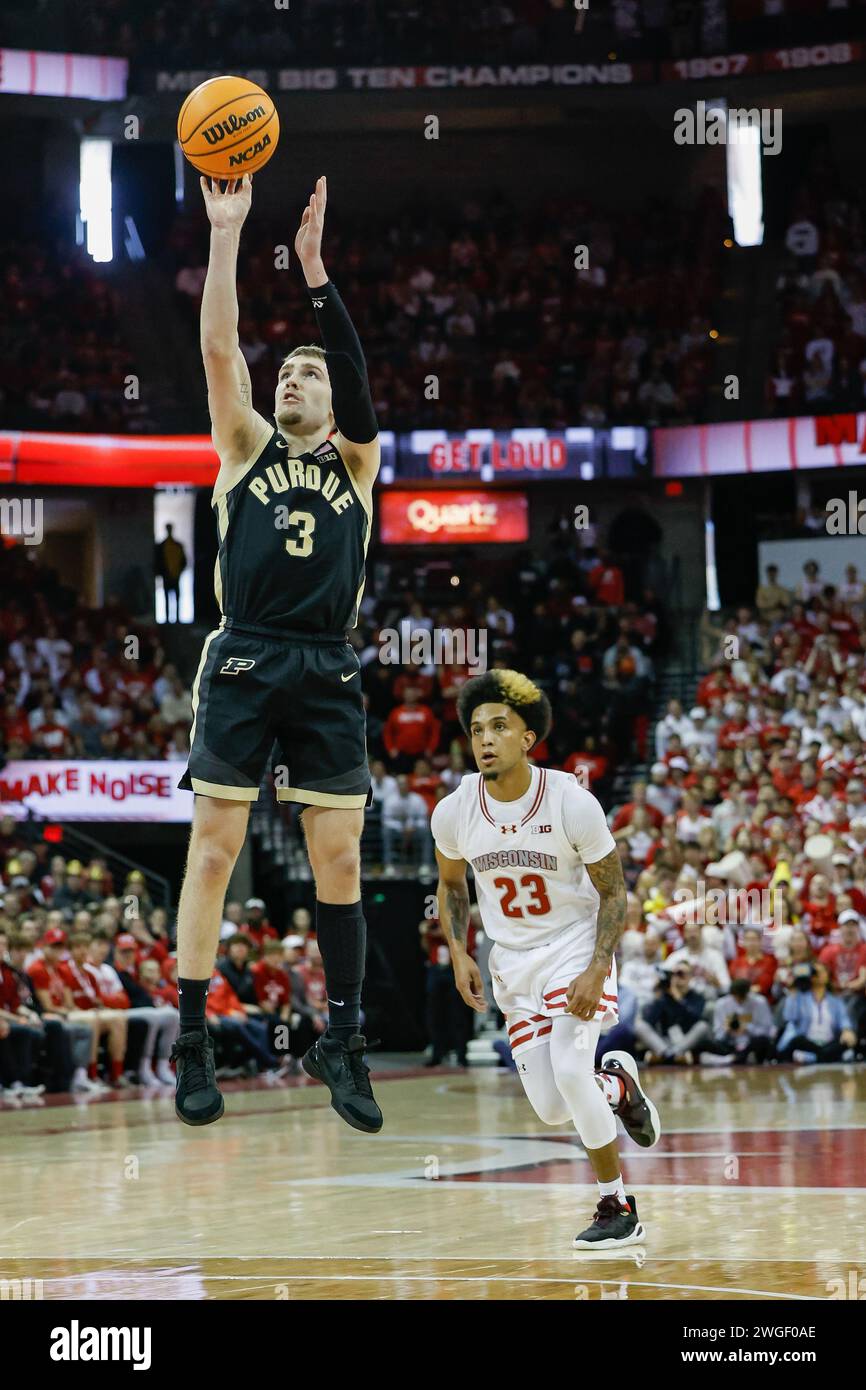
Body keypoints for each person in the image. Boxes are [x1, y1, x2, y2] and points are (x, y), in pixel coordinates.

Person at [170, 174, 381, 1134]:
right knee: (213, 852)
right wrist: (229, 234)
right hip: (247, 653)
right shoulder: (244, 445)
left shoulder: (358, 464)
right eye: (286, 372)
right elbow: (220, 348)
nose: (293, 378)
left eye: (310, 374)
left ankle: (343, 1038)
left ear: (333, 403)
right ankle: (192, 1037)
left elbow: (359, 378)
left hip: (327, 662)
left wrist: (315, 275)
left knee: (338, 861)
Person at [431, 668, 660, 1249]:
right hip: (513, 960)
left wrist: (595, 966)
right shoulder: (454, 810)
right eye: (477, 728)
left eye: (499, 726)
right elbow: (453, 887)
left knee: (567, 1068)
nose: (484, 738)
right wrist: (459, 951)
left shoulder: (570, 801)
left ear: (528, 737)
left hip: (574, 946)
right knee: (555, 1108)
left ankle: (618, 1204)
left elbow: (614, 891)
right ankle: (619, 1089)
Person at [776, 961, 858, 1064]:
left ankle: (822, 1054)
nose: (817, 975)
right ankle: (824, 1055)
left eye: (821, 972)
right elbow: (789, 1017)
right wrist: (794, 991)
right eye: (815, 972)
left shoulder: (835, 1001)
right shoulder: (799, 997)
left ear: (827, 975)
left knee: (845, 1042)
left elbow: (844, 1019)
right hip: (806, 1043)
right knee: (797, 1041)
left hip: (828, 1043)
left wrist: (847, 1030)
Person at [154, 524, 187, 624]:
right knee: (169, 597)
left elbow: (183, 561)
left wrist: (178, 571)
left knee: (175, 597)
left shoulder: (175, 545)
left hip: (174, 576)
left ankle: (175, 618)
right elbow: (159, 562)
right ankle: (170, 619)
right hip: (169, 576)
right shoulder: (163, 546)